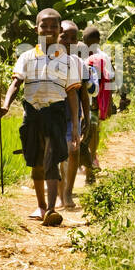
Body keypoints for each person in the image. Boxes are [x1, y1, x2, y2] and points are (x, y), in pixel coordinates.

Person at [0, 8, 81, 227]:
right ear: (36, 29)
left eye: (53, 26)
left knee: (51, 157)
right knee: (36, 160)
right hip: (32, 112)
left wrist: (77, 126)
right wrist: (6, 105)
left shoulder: (68, 61)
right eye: (44, 25)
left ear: (59, 30)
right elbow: (16, 83)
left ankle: (52, 209)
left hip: (56, 112)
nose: (49, 30)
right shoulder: (26, 57)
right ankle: (41, 206)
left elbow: (71, 93)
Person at [57, 20, 92, 209]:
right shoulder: (47, 62)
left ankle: (68, 192)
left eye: (73, 38)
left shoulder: (80, 64)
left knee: (73, 151)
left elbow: (84, 95)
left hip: (72, 116)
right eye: (64, 37)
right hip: (53, 116)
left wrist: (86, 117)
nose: (69, 42)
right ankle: (60, 193)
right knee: (56, 156)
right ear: (56, 36)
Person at [82, 26, 115, 179]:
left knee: (92, 131)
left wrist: (108, 103)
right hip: (86, 101)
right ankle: (87, 160)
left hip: (94, 103)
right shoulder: (81, 55)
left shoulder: (102, 57)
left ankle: (91, 161)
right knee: (87, 131)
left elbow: (110, 80)